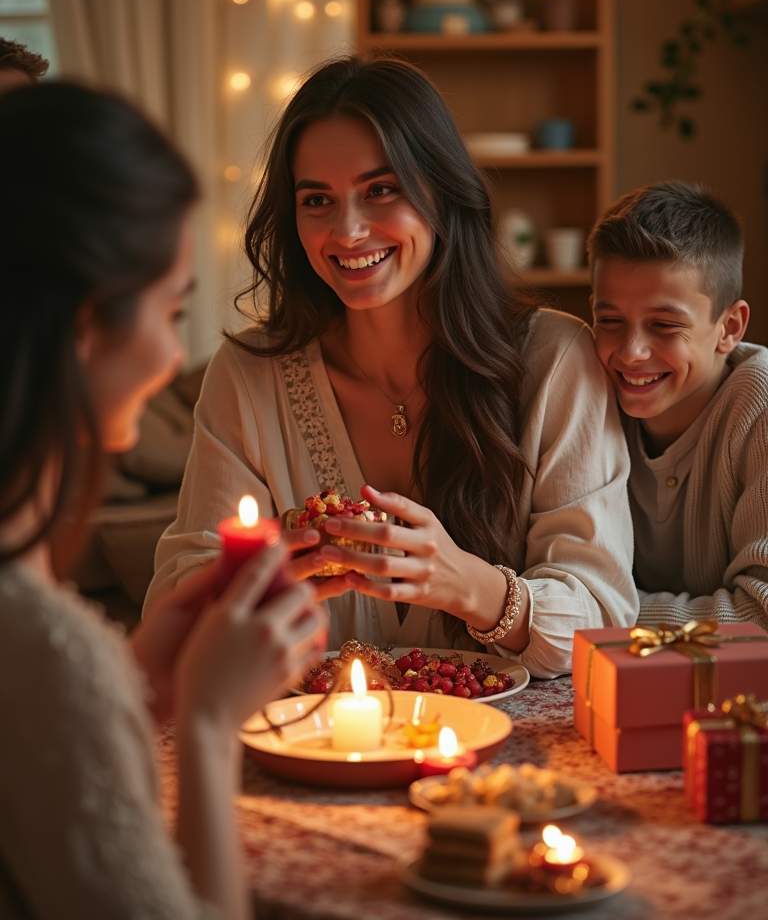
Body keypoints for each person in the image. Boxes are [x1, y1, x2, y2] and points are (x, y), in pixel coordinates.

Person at [147, 54, 637, 679]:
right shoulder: (247, 376)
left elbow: (605, 619)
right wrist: (252, 585)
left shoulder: (556, 360)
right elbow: (171, 611)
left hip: (505, 766)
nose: (347, 231)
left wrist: (472, 589)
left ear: (443, 191)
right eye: (317, 199)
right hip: (308, 756)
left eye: (381, 190)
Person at [0, 81, 327, 920]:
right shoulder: (40, 643)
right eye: (172, 308)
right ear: (83, 327)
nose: (176, 349)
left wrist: (140, 689)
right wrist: (212, 726)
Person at [588, 180, 768, 630]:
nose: (631, 352)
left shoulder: (760, 409)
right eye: (610, 321)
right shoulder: (582, 391)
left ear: (729, 327)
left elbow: (760, 617)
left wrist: (593, 607)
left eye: (664, 325)